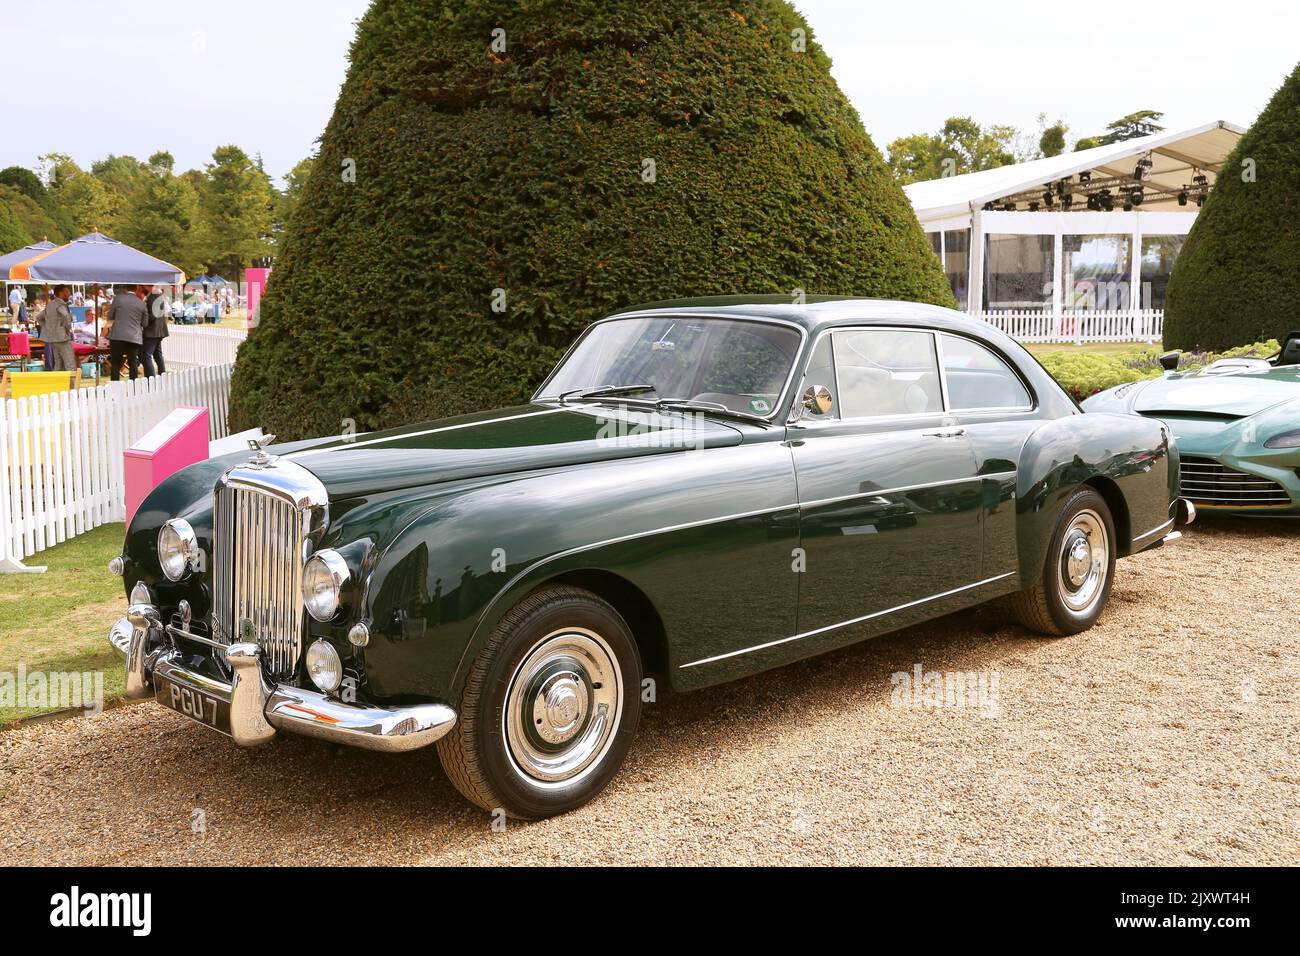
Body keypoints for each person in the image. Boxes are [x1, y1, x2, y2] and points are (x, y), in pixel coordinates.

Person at [106, 284, 148, 381]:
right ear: (136, 289)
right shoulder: (142, 303)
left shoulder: (118, 299)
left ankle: (114, 386)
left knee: (116, 362)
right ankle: (133, 386)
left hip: (118, 336)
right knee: (133, 363)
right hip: (134, 337)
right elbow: (145, 323)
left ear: (125, 289)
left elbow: (110, 316)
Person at [39, 285, 75, 371]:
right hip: (62, 338)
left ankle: (58, 384)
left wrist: (48, 328)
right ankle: (73, 384)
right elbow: (66, 316)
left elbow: (39, 317)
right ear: (61, 293)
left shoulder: (50, 305)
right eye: (67, 291)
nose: (69, 294)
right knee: (70, 363)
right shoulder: (60, 304)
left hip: (52, 338)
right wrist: (68, 327)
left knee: (58, 364)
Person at [141, 286, 169, 377]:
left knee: (146, 355)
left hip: (153, 330)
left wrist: (143, 320)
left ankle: (150, 378)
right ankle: (162, 376)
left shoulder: (154, 295)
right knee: (157, 355)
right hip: (158, 329)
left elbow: (153, 315)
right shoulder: (157, 295)